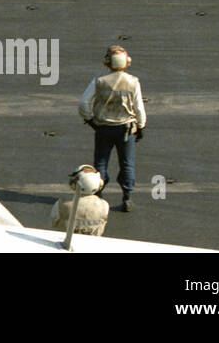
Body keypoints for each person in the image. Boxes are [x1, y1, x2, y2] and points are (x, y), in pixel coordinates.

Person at [78, 45, 147, 212]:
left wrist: (90, 120)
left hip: (103, 128)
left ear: (107, 62)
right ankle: (127, 197)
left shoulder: (99, 81)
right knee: (127, 164)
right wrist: (141, 126)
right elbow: (139, 108)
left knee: (100, 163)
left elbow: (84, 102)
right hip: (126, 129)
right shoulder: (133, 82)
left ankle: (98, 195)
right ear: (126, 62)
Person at [48, 165, 110, 237]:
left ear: (74, 184)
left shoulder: (61, 203)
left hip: (64, 242)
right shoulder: (104, 205)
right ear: (99, 184)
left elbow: (52, 224)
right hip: (92, 243)